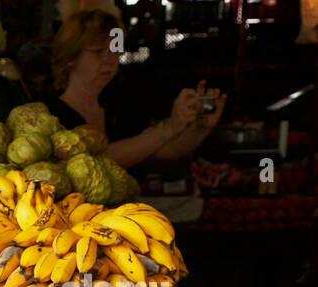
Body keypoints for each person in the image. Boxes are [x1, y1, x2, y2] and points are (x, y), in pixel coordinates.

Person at [47, 10, 226, 168]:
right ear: (71, 57)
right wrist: (169, 127)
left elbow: (162, 151)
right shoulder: (51, 116)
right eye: (99, 52)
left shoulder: (119, 106)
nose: (111, 61)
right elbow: (95, 162)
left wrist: (200, 126)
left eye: (115, 51)